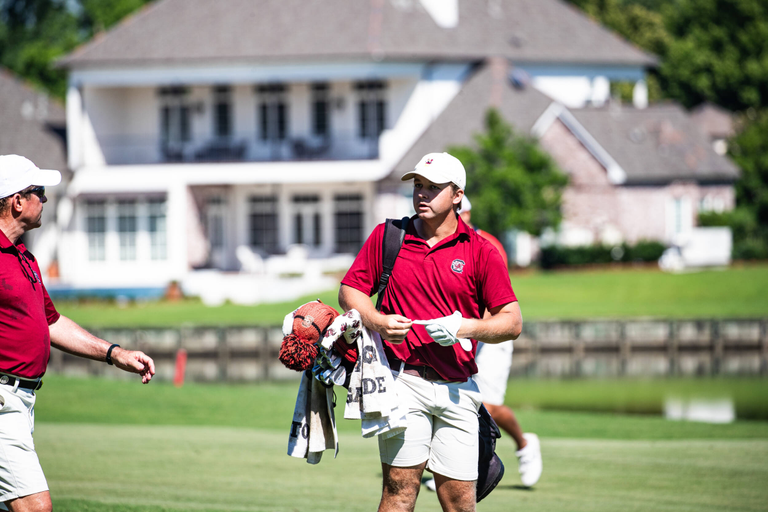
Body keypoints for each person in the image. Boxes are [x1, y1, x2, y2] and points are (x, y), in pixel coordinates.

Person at [339, 152, 522, 512]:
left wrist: (465, 328)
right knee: (399, 492)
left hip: (459, 388)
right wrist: (378, 321)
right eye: (418, 185)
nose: (422, 193)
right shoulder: (389, 236)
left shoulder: (480, 250)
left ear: (457, 195)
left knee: (460, 502)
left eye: (434, 187)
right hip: (402, 382)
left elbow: (512, 321)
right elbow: (350, 291)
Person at [0, 154, 156, 512]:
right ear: (17, 201)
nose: (45, 199)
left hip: (22, 403)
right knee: (36, 507)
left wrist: (115, 354)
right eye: (39, 191)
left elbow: (51, 323)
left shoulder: (24, 258)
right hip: (3, 401)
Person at [432, 196, 542, 489]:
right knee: (448, 400)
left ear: (466, 211)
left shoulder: (487, 244)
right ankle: (451, 466)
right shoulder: (438, 243)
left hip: (490, 335)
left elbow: (494, 301)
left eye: (459, 211)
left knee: (489, 405)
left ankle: (524, 444)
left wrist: (470, 332)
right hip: (455, 335)